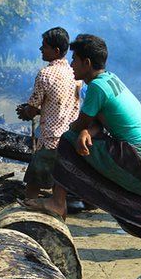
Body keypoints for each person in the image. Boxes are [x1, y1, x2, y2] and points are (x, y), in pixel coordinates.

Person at [25, 34, 141, 264]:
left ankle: (58, 201)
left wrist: (82, 131)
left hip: (136, 156)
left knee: (66, 140)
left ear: (87, 63)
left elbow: (80, 123)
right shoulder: (110, 79)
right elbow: (99, 121)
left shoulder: (97, 88)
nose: (71, 65)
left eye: (75, 60)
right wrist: (87, 132)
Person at [16, 27, 81, 199]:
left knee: (32, 187)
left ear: (56, 50)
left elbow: (31, 110)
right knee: (59, 193)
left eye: (44, 46)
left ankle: (27, 220)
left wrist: (25, 111)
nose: (40, 49)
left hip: (50, 141)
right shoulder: (75, 73)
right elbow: (59, 107)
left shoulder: (45, 74)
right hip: (69, 141)